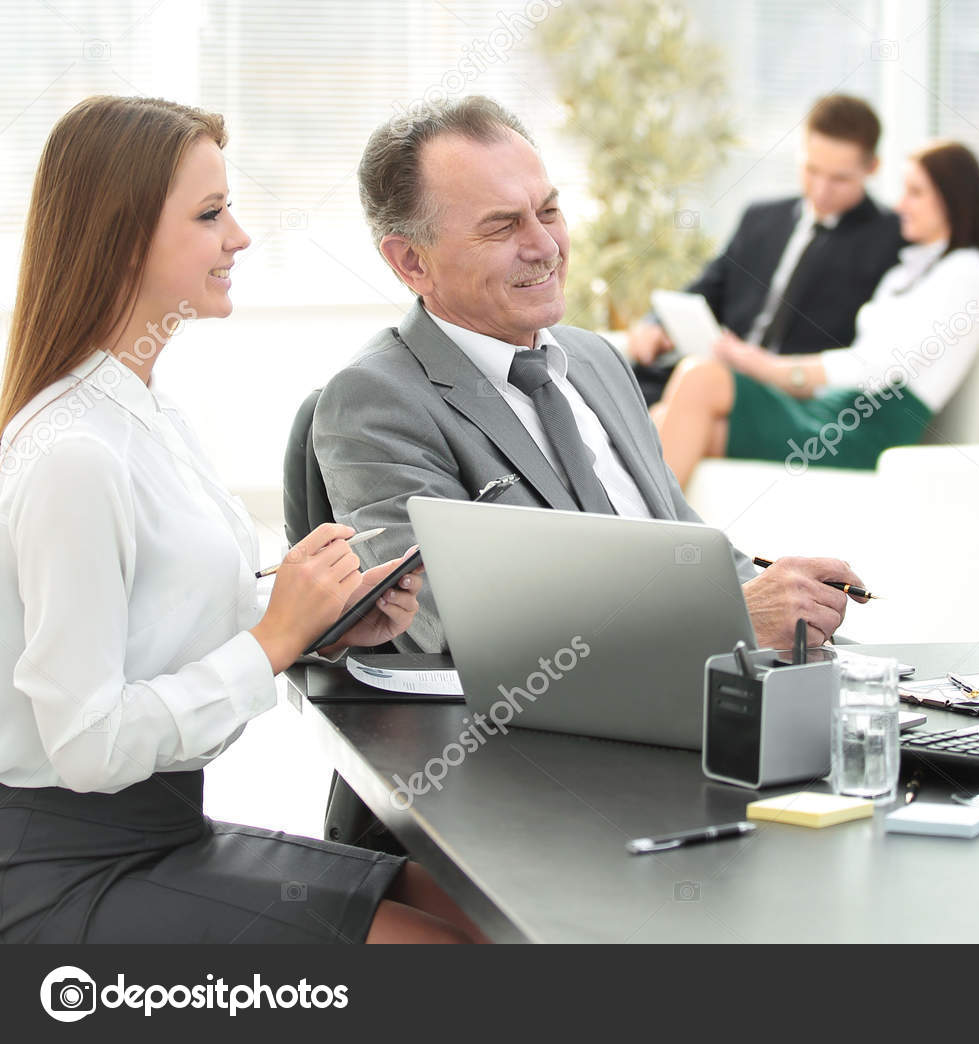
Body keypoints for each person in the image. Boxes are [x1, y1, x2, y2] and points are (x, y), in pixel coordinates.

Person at [0, 96, 487, 942]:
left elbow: (154, 616)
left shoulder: (144, 412)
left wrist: (321, 620)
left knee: (485, 918)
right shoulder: (75, 454)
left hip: (161, 836)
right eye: (210, 213)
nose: (241, 236)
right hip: (72, 874)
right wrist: (273, 643)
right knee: (452, 949)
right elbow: (85, 744)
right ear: (122, 237)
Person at [312, 96, 867, 658]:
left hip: (704, 690)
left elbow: (685, 540)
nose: (546, 247)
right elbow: (451, 620)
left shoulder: (596, 361)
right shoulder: (373, 402)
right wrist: (728, 620)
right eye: (503, 227)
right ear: (411, 261)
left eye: (549, 212)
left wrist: (799, 609)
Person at [651, 141, 979, 486]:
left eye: (915, 193)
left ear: (954, 200)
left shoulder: (966, 272)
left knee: (701, 378)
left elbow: (876, 366)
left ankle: (643, 531)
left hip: (863, 429)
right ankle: (645, 528)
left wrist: (764, 367)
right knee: (666, 417)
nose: (901, 204)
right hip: (831, 407)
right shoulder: (906, 272)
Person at [625, 93, 905, 405]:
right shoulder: (761, 218)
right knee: (613, 387)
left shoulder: (892, 237)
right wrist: (654, 324)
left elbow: (874, 350)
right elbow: (705, 289)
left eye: (839, 179)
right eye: (812, 170)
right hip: (716, 373)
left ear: (873, 167)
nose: (821, 190)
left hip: (789, 398)